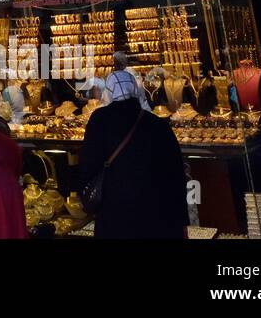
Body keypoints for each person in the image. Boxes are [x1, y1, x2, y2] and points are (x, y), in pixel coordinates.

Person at [78, 95, 187, 238]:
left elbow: (87, 168)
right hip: (156, 218)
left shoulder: (100, 121)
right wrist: (181, 222)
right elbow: (176, 178)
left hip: (113, 217)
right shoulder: (158, 125)